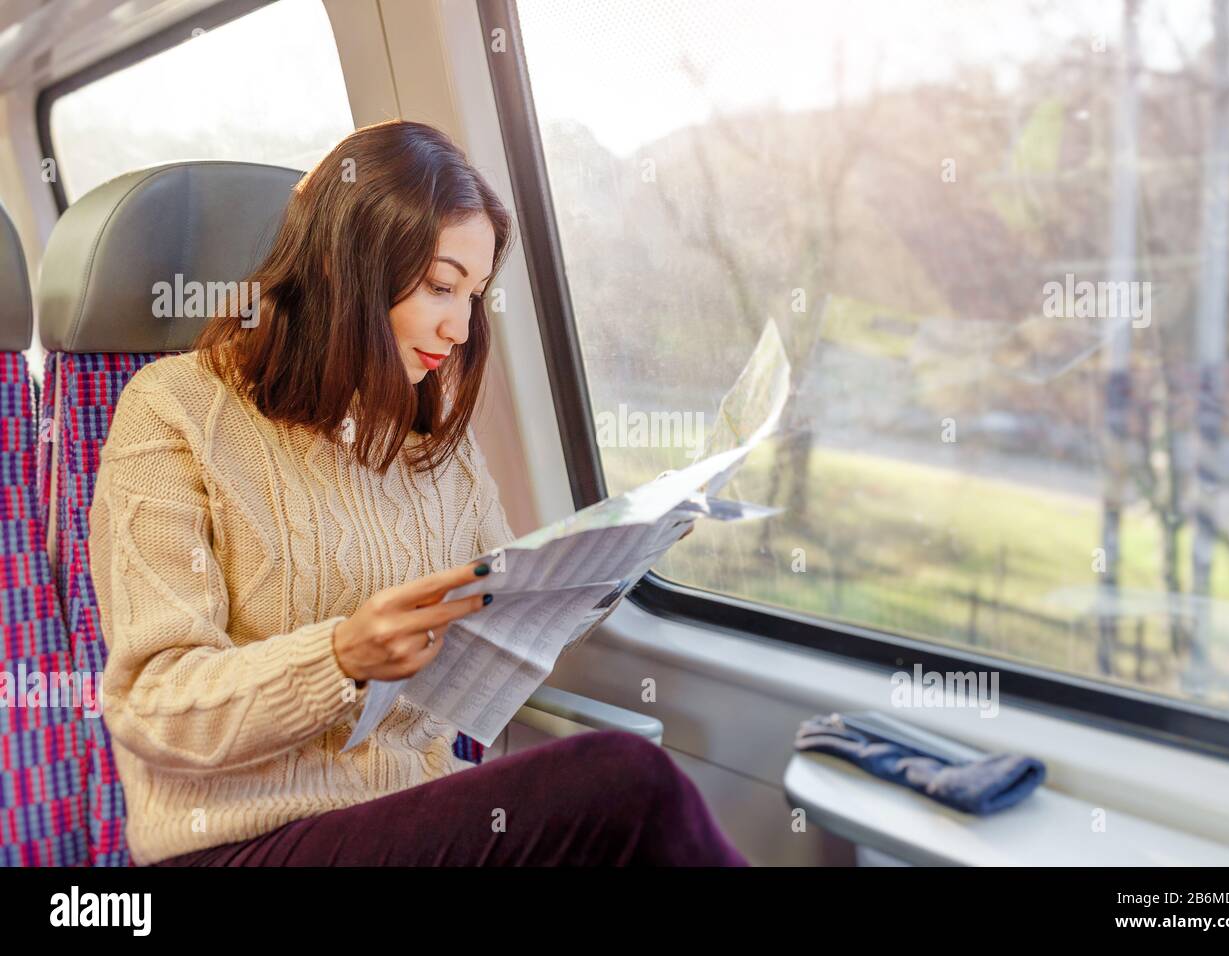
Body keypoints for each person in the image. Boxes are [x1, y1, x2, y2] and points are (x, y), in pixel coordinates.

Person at [87, 119, 748, 867]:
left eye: (473, 295)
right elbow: (155, 706)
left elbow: (503, 610)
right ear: (351, 263)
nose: (462, 327)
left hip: (403, 815)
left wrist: (621, 554)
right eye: (441, 286)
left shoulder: (434, 444)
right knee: (626, 784)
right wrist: (340, 658)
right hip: (234, 840)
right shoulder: (172, 411)